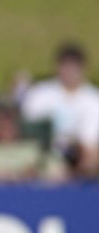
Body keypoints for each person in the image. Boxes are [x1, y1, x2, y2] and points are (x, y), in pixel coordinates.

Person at [17, 43, 99, 178]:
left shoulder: (93, 99)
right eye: (65, 66)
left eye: (74, 67)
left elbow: (89, 141)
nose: (69, 72)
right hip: (44, 153)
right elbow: (27, 132)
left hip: (78, 154)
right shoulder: (40, 94)